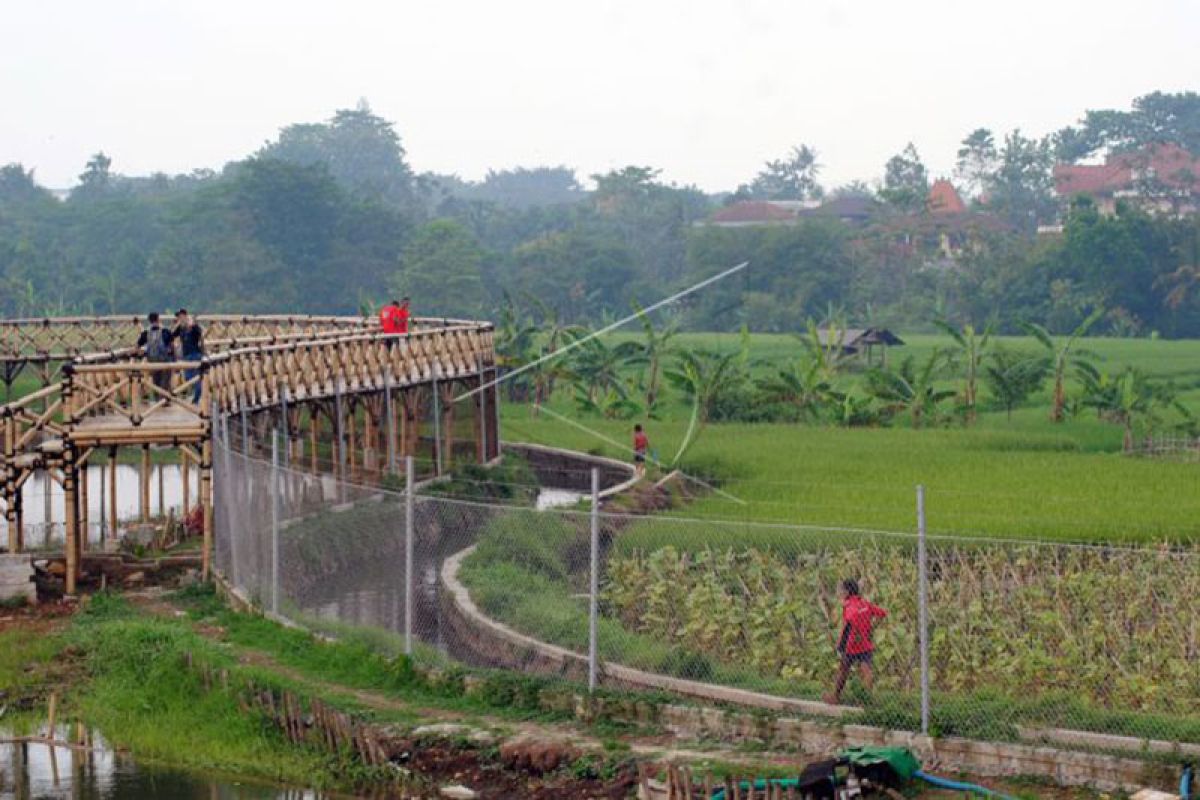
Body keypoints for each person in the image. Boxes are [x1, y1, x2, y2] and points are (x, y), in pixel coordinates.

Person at [826, 579, 888, 705]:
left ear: (847, 592)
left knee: (843, 671)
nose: (839, 592)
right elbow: (882, 613)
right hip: (865, 644)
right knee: (867, 671)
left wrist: (840, 645)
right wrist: (871, 628)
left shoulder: (849, 607)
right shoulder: (865, 604)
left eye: (841, 590)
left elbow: (847, 626)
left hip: (851, 645)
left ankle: (835, 696)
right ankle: (865, 699)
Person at [136, 312, 174, 394]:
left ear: (149, 321)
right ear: (158, 319)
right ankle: (165, 399)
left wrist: (140, 354)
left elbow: (137, 345)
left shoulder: (146, 332)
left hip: (152, 360)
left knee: (156, 380)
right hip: (164, 360)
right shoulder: (165, 331)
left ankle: (158, 401)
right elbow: (171, 346)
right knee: (165, 380)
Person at [172, 308, 205, 403]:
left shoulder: (193, 326)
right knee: (188, 377)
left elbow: (199, 333)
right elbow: (172, 335)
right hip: (186, 355)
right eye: (178, 317)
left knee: (194, 376)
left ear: (185, 315)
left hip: (195, 354)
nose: (179, 318)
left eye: (180, 316)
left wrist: (192, 325)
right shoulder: (181, 328)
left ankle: (197, 397)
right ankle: (198, 393)